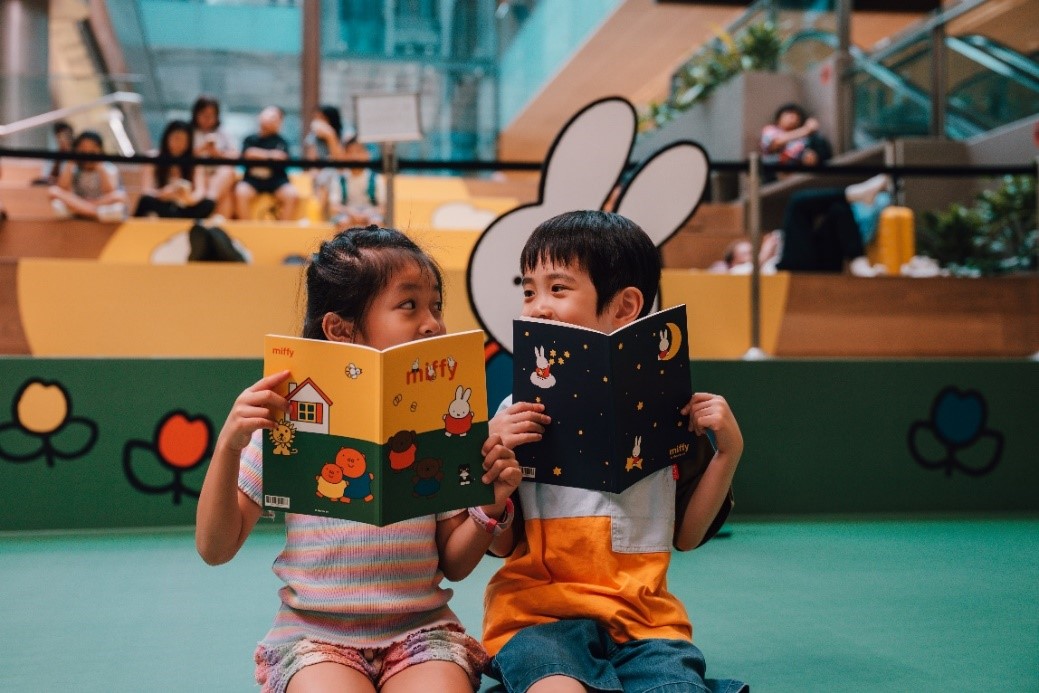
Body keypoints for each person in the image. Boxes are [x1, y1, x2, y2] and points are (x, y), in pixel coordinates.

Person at [196, 225, 522, 693]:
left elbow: (454, 563)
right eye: (409, 305)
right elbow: (215, 547)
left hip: (423, 633)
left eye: (436, 305)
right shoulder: (287, 421)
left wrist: (490, 505)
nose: (432, 322)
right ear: (341, 330)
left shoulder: (442, 424)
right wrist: (230, 445)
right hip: (314, 637)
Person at [481, 210, 748, 693]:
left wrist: (728, 453)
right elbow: (500, 543)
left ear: (626, 306)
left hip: (646, 625)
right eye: (528, 291)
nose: (537, 306)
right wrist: (494, 453)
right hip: (536, 617)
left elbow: (685, 538)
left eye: (558, 289)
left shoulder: (671, 410)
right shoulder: (512, 412)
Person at [774, 173, 892, 276]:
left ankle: (859, 265)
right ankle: (856, 193)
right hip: (790, 270)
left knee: (838, 208)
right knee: (797, 203)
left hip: (820, 266)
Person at [133, 120, 216, 219]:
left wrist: (188, 198)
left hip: (185, 206)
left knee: (208, 203)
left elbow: (200, 191)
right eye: (176, 139)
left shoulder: (194, 161)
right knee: (146, 201)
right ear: (167, 138)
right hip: (161, 203)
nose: (179, 144)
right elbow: (146, 190)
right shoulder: (153, 157)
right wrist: (163, 193)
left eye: (184, 141)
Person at [235, 105, 299, 220]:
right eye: (268, 115)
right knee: (240, 192)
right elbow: (248, 153)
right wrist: (271, 155)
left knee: (291, 195)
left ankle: (283, 230)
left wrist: (259, 156)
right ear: (260, 116)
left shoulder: (282, 141)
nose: (270, 119)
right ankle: (247, 230)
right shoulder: (250, 139)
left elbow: (283, 158)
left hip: (277, 180)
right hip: (252, 180)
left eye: (275, 118)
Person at [48, 130, 128, 222]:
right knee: (53, 192)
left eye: (92, 150)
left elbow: (110, 193)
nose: (87, 154)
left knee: (119, 196)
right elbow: (62, 188)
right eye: (83, 149)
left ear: (100, 150)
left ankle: (83, 212)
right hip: (91, 208)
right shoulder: (73, 168)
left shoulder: (108, 168)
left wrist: (100, 167)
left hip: (96, 205)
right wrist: (70, 162)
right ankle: (91, 213)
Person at [191, 95, 239, 218]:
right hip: (196, 176)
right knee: (225, 192)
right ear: (196, 114)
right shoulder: (188, 132)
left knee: (227, 173)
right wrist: (201, 149)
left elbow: (236, 156)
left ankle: (209, 202)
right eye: (204, 115)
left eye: (211, 115)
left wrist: (217, 153)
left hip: (218, 176)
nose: (207, 119)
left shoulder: (223, 133)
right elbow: (179, 155)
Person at [760, 103, 832, 182]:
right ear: (778, 118)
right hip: (776, 166)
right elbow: (776, 143)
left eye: (796, 116)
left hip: (800, 168)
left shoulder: (805, 137)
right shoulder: (770, 129)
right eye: (789, 114)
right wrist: (807, 129)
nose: (793, 117)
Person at [327, 137, 386, 229]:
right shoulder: (339, 179)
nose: (355, 157)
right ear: (345, 156)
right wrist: (351, 212)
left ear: (367, 155)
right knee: (343, 221)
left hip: (371, 213)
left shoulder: (376, 178)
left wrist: (367, 213)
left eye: (359, 152)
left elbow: (383, 207)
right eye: (350, 152)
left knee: (376, 222)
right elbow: (334, 207)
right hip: (347, 213)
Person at [33, 121, 74, 186]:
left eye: (66, 136)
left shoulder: (74, 155)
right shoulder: (53, 155)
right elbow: (46, 175)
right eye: (59, 137)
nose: (62, 140)